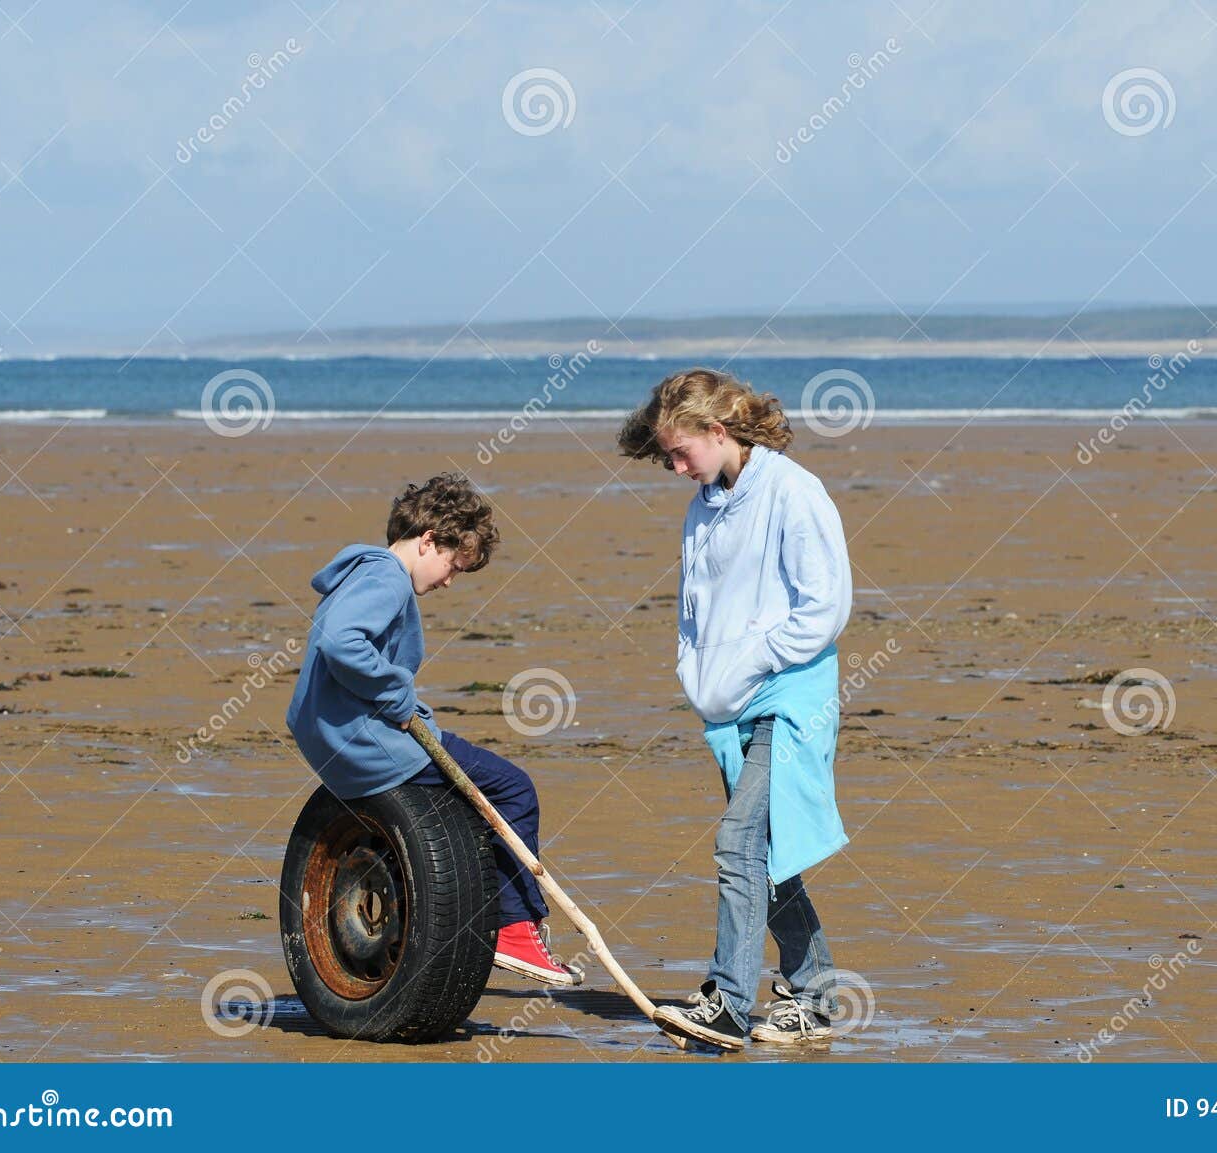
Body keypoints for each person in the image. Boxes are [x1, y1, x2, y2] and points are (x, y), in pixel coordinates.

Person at [618, 368, 852, 1049]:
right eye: (666, 454)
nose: (672, 464)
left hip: (791, 695)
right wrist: (698, 673)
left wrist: (753, 659)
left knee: (736, 843)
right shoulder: (702, 504)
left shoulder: (792, 491)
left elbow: (826, 607)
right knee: (765, 853)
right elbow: (697, 612)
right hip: (728, 708)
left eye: (680, 450)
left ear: (717, 432)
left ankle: (727, 999)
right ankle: (814, 992)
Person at [285, 473, 581, 986]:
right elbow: (340, 643)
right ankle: (513, 928)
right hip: (369, 742)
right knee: (512, 789)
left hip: (334, 743)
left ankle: (450, 922)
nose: (449, 581)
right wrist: (397, 695)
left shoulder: (359, 574)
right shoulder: (386, 577)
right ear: (428, 540)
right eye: (453, 565)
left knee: (458, 810)